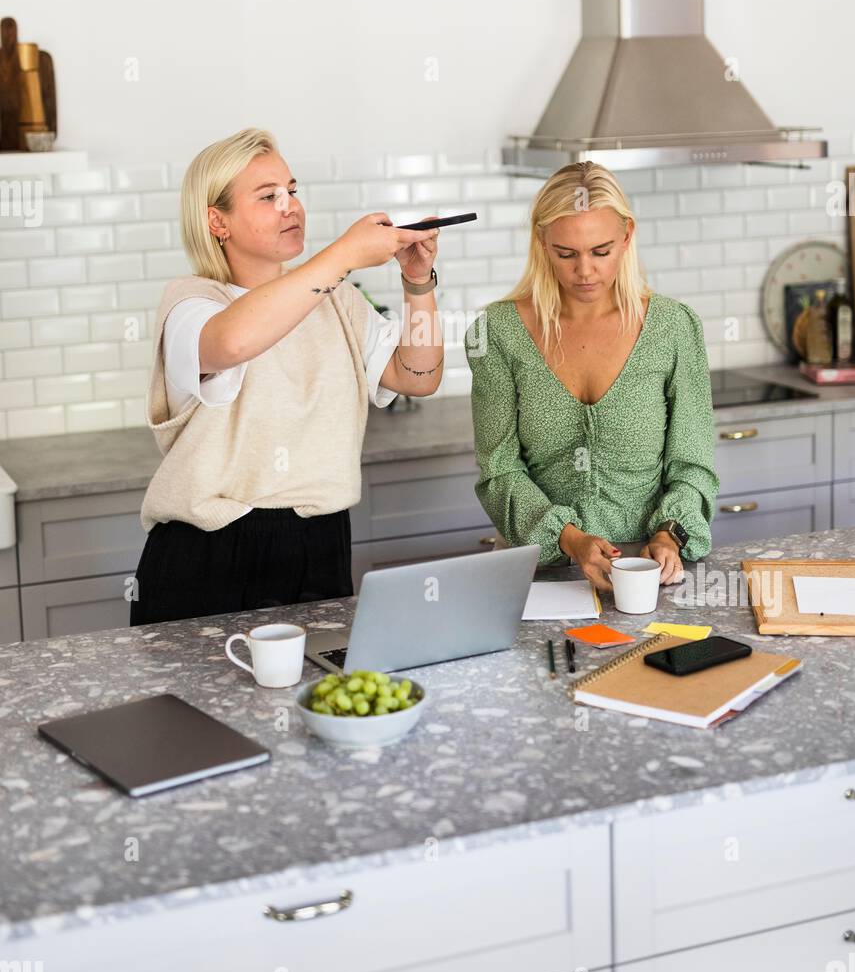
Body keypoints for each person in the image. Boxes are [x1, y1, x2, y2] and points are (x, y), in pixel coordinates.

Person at [131, 127, 442, 625]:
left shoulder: (337, 299)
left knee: (311, 699)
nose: (290, 206)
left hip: (320, 546)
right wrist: (344, 254)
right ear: (218, 220)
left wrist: (418, 282)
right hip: (208, 555)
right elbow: (233, 342)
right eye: (268, 196)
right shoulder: (190, 304)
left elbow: (418, 375)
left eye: (292, 191)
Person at [464, 161, 719, 591]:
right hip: (537, 575)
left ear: (627, 236)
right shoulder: (498, 333)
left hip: (646, 570)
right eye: (567, 254)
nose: (585, 271)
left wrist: (667, 534)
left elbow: (693, 464)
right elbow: (499, 471)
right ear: (542, 242)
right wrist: (570, 540)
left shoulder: (674, 327)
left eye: (601, 251)